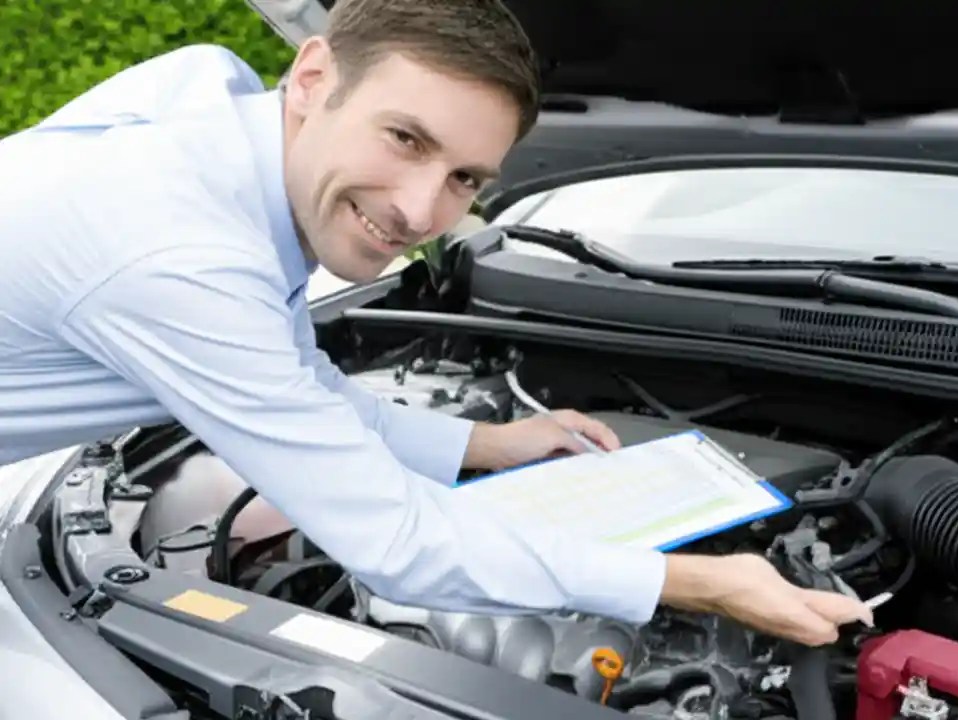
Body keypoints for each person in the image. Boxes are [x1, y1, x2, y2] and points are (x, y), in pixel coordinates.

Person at [0, 0, 873, 646]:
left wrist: (490, 446)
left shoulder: (207, 102)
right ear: (311, 78)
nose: (421, 211)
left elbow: (300, 383)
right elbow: (396, 544)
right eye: (405, 138)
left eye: (463, 178)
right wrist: (701, 584)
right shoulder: (179, 258)